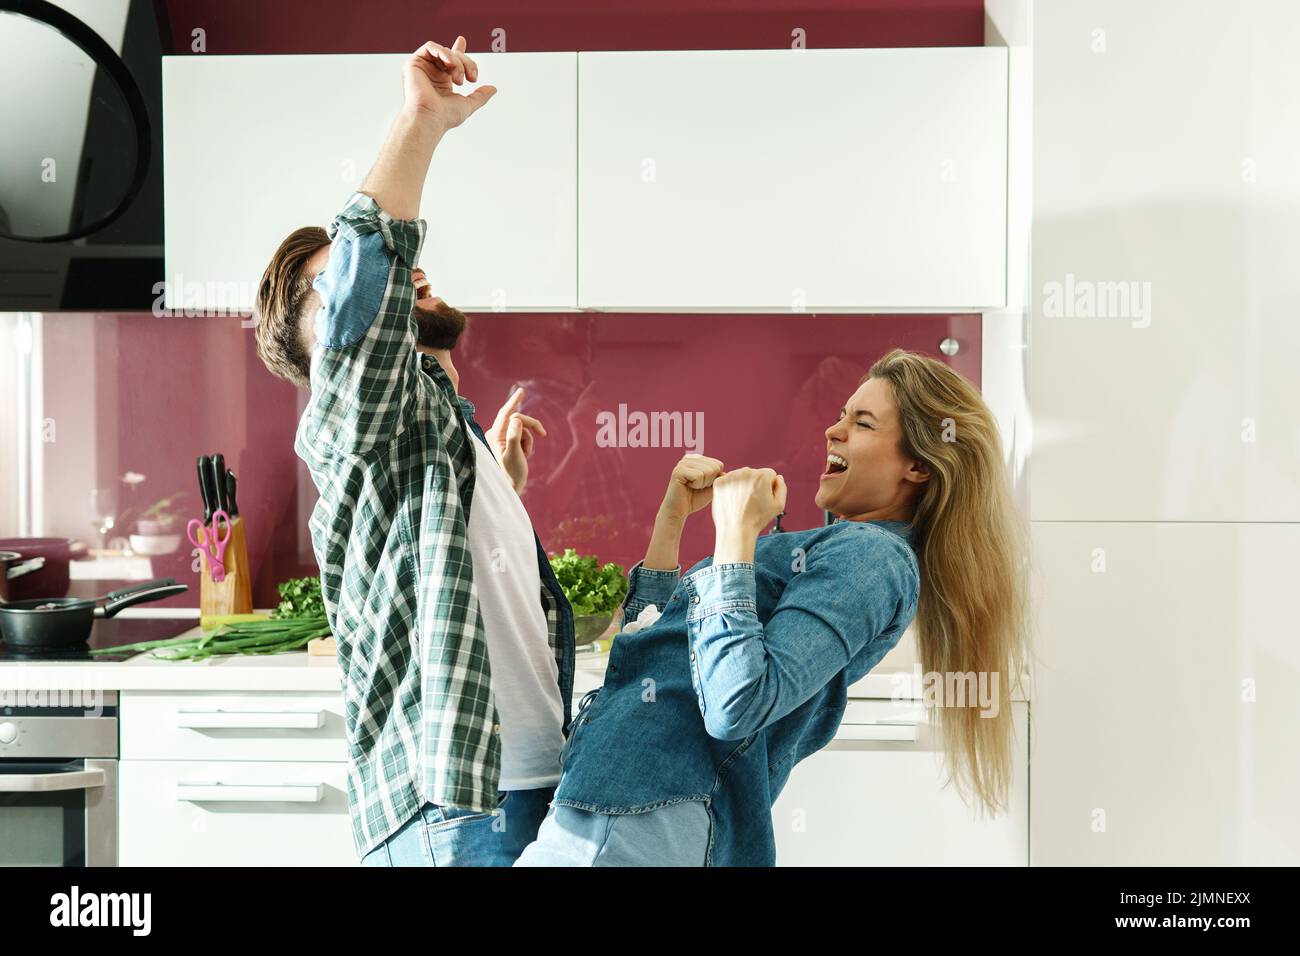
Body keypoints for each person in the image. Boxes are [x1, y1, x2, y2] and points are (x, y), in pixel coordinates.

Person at [251, 37, 575, 866]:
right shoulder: (347, 420)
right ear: (330, 364)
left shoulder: (436, 426)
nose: (402, 280)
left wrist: (495, 484)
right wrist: (421, 123)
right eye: (338, 292)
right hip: (455, 807)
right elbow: (368, 292)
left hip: (522, 788)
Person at [514, 349, 1029, 866]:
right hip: (611, 809)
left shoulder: (874, 557)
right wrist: (671, 523)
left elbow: (738, 702)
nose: (834, 430)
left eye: (863, 422)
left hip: (640, 821)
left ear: (917, 463)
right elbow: (649, 654)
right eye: (842, 415)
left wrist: (735, 536)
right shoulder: (833, 549)